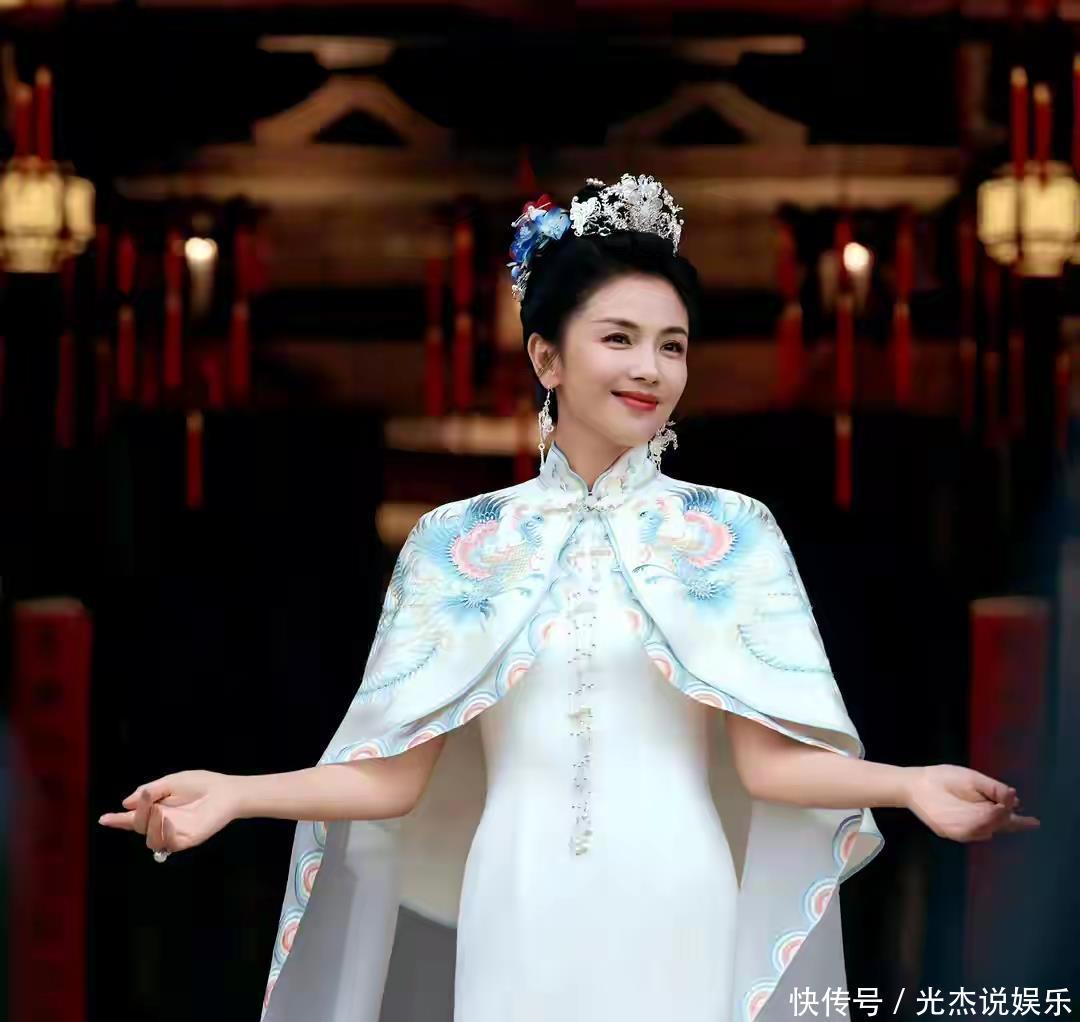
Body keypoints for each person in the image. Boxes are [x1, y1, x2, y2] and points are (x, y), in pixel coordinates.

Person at [99, 173, 1040, 1022]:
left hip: (681, 896)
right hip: (517, 898)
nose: (650, 368)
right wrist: (235, 795)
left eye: (672, 345)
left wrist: (912, 786)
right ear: (547, 359)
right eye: (619, 338)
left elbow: (772, 769)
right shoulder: (458, 542)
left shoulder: (732, 530)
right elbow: (388, 779)